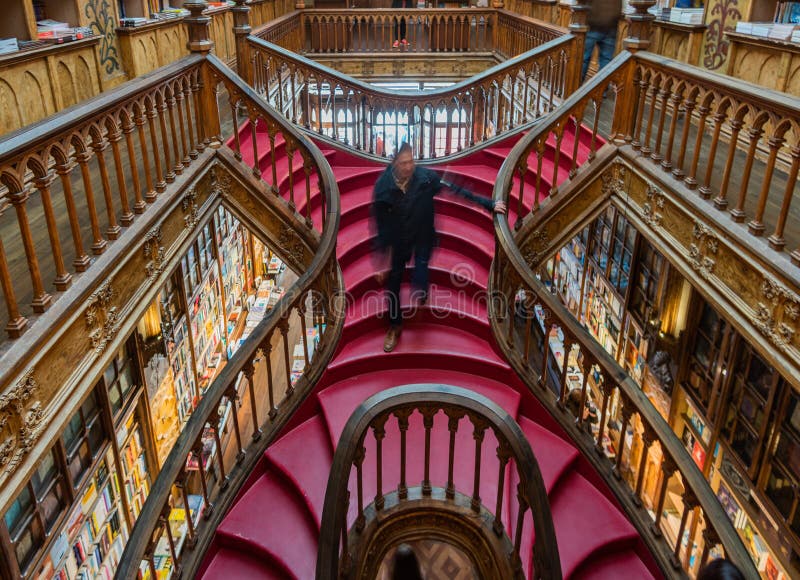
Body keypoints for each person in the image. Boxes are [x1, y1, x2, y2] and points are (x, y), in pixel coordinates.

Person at [372, 142, 507, 353]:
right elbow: (380, 224)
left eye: (411, 162)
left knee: (421, 272)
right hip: (398, 241)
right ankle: (395, 326)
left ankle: (422, 291)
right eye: (404, 163)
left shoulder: (426, 178)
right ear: (394, 162)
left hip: (423, 235)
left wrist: (488, 204)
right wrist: (382, 259)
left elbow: (457, 191)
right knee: (393, 286)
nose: (409, 167)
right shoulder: (383, 187)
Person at [581, 0, 622, 82]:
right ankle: (601, 92)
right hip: (611, 25)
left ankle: (575, 88)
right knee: (606, 60)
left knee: (583, 58)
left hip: (593, 23)